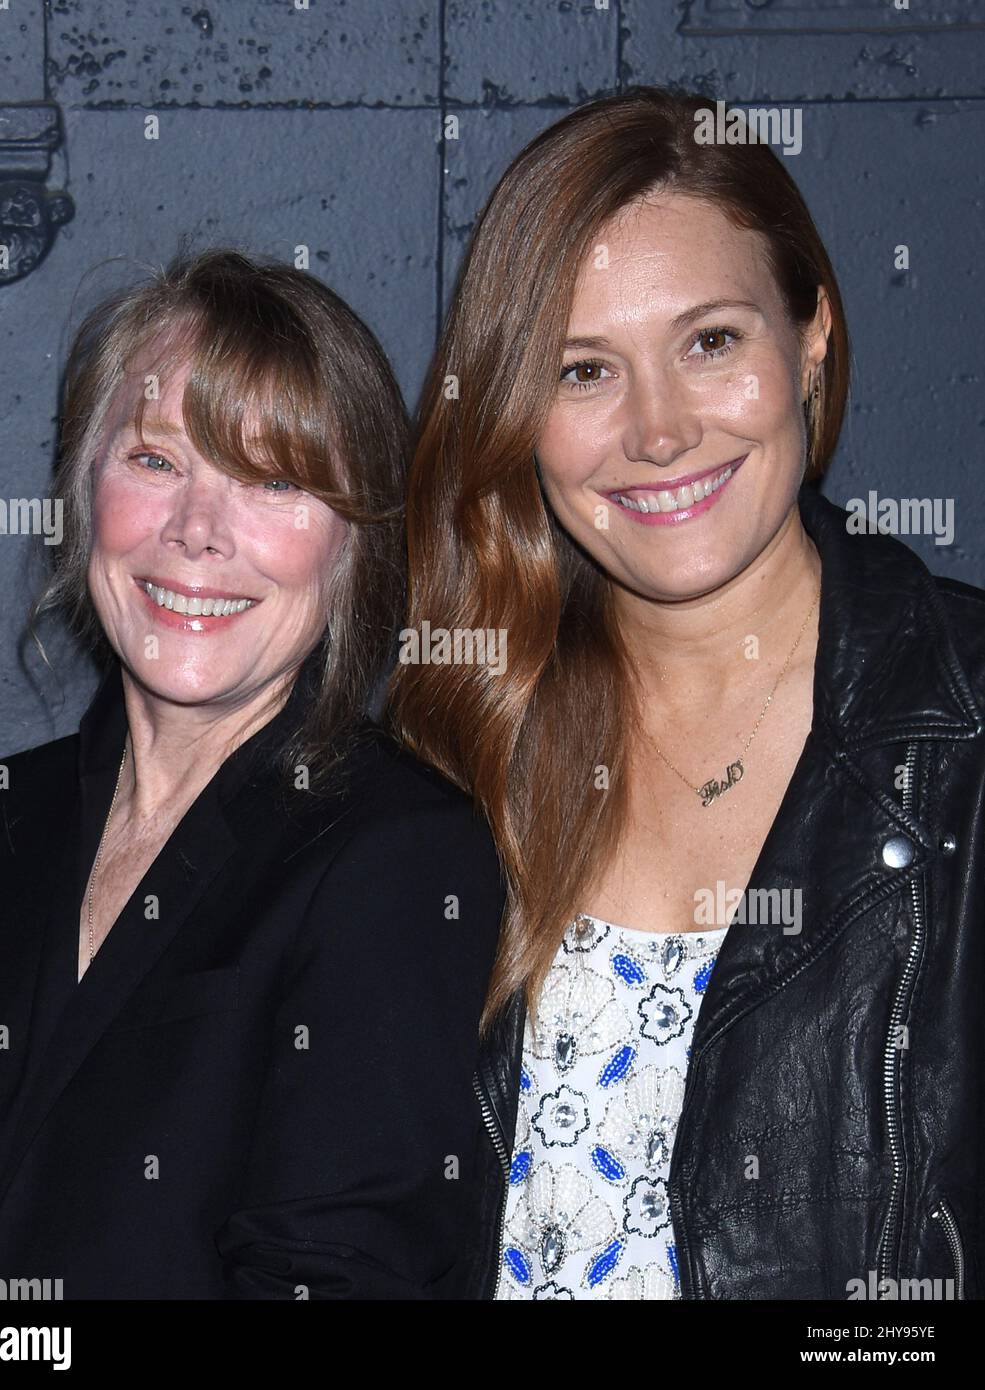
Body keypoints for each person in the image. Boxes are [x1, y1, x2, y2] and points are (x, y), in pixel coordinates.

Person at [389, 86, 985, 1300]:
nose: (658, 432)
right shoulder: (451, 749)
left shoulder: (966, 734)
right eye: (583, 369)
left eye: (710, 341)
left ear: (810, 337)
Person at [0, 248, 505, 1299]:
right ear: (83, 486)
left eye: (275, 480)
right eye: (156, 461)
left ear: (352, 553)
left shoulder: (401, 859)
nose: (198, 531)